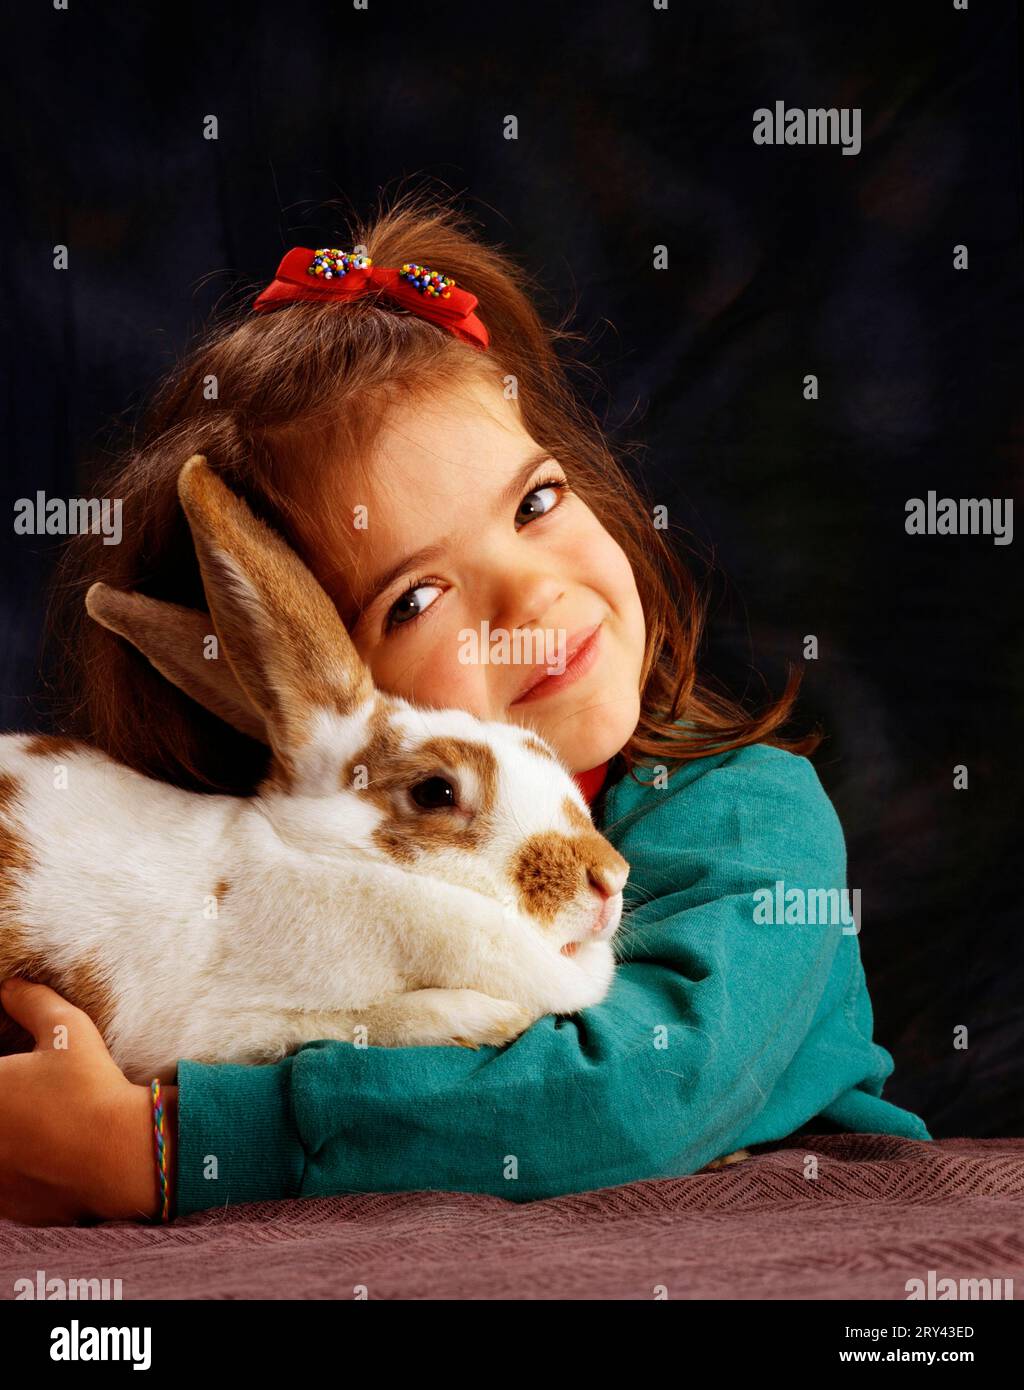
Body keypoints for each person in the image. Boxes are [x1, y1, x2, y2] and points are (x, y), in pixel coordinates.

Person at [0, 188, 930, 1224]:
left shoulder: (750, 815)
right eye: (417, 596)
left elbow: (638, 1096)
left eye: (535, 503)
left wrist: (170, 1144)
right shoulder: (321, 906)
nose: (531, 595)